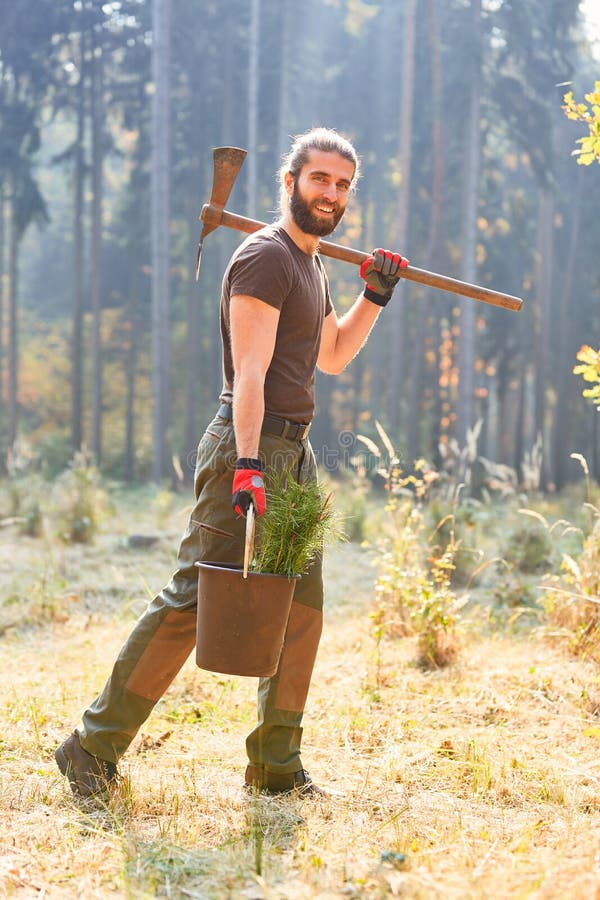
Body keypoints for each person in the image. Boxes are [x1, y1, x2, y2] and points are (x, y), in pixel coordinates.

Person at [55, 127, 408, 798]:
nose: (329, 193)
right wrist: (249, 465)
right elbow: (249, 372)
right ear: (290, 182)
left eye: (341, 184)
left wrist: (376, 296)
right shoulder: (265, 258)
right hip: (249, 447)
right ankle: (92, 747)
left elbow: (330, 355)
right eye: (318, 179)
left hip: (296, 451)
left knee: (301, 607)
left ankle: (276, 767)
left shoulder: (311, 263)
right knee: (195, 599)